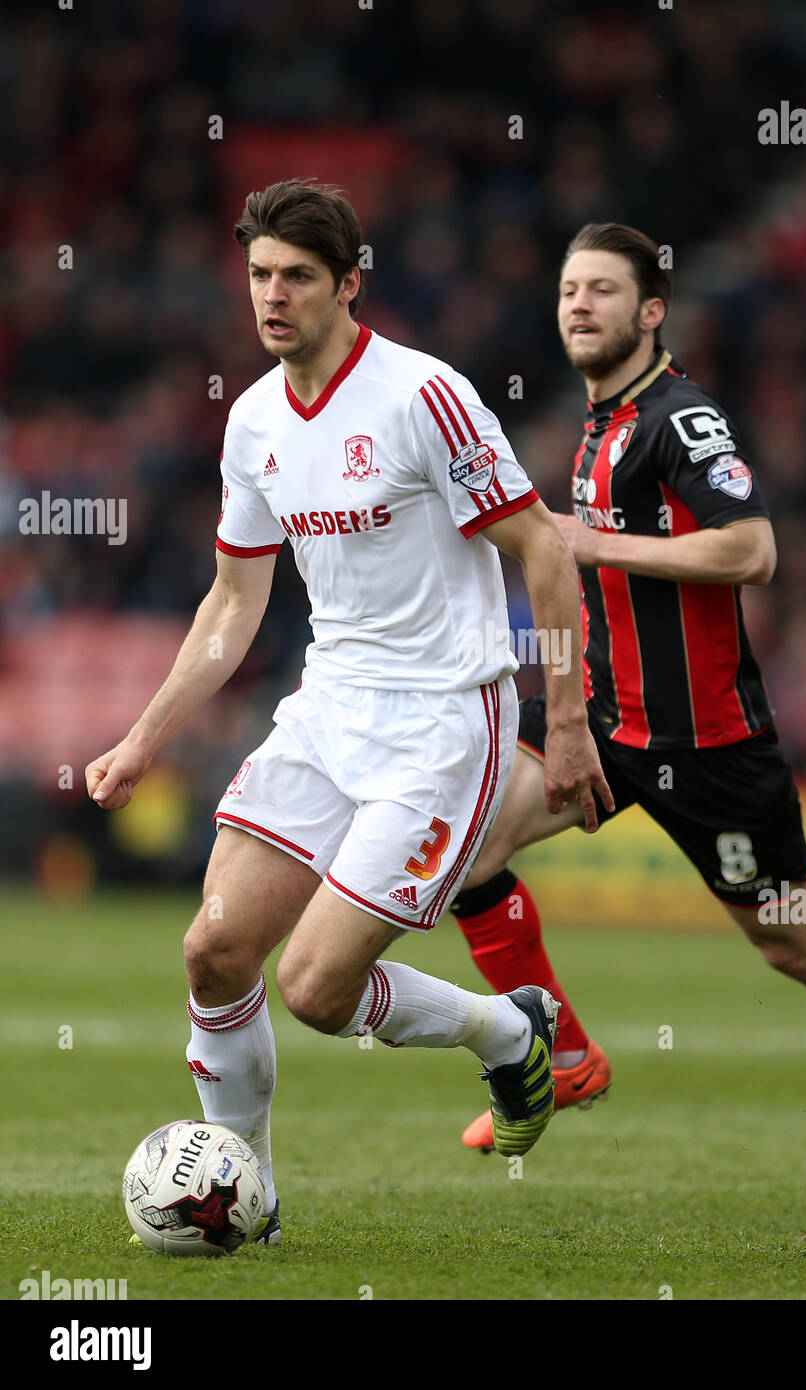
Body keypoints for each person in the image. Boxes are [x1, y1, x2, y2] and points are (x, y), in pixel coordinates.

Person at [85, 180, 612, 1245]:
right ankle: (250, 1206)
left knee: (317, 988)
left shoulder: (424, 396)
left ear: (349, 284)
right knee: (213, 953)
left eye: (297, 278)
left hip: (440, 724)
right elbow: (235, 601)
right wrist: (144, 735)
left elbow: (543, 550)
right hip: (328, 710)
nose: (272, 297)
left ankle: (507, 1033)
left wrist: (563, 722)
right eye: (258, 276)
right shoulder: (254, 422)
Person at [449, 222, 806, 1219]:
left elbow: (753, 550)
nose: (578, 305)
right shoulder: (596, 420)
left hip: (710, 749)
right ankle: (563, 1056)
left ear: (650, 312)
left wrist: (600, 543)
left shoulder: (679, 417)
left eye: (603, 291)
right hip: (610, 721)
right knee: (463, 842)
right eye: (569, 289)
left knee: (798, 946)